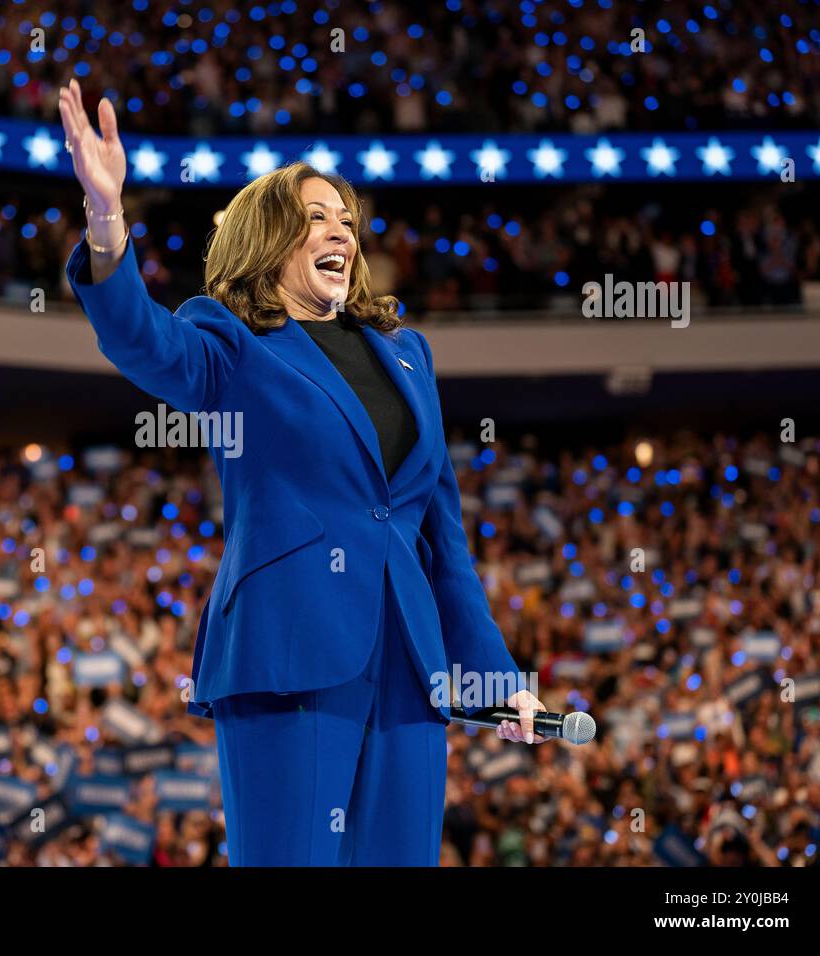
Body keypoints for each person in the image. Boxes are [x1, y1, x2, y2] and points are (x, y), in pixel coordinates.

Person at [58, 79, 548, 866]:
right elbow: (142, 343)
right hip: (289, 654)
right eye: (314, 217)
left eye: (347, 220)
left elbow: (444, 546)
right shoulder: (230, 341)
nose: (340, 232)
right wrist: (108, 217)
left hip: (411, 668)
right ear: (267, 238)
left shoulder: (408, 355)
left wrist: (496, 677)